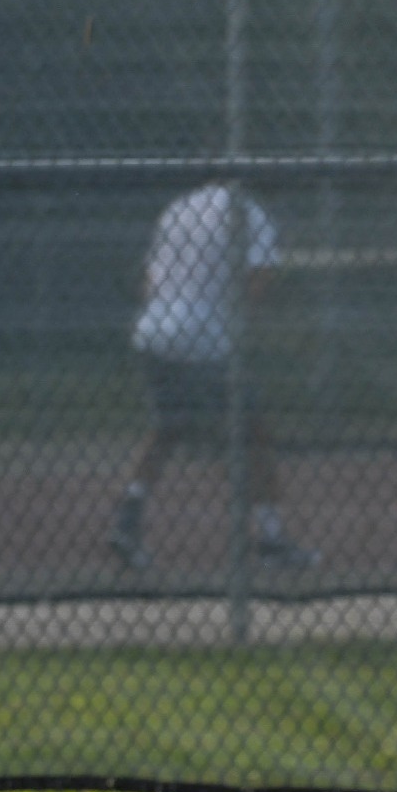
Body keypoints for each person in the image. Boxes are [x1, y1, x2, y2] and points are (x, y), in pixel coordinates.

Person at [109, 180, 317, 571]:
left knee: (168, 428)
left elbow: (150, 280)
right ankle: (271, 540)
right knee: (254, 432)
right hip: (204, 338)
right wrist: (235, 326)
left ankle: (128, 517)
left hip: (155, 330)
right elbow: (258, 280)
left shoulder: (180, 206)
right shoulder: (250, 211)